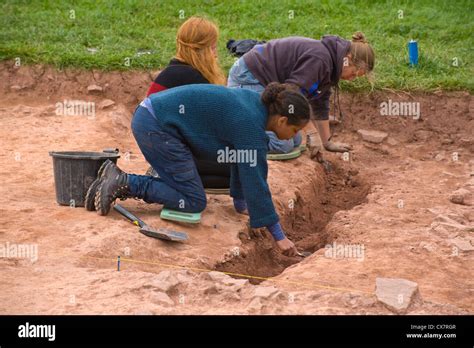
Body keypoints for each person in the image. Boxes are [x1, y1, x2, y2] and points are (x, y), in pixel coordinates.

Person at [93, 83, 310, 256]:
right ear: (282, 120)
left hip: (155, 116)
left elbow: (241, 159)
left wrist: (241, 203)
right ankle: (124, 182)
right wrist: (279, 236)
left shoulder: (256, 106)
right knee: (193, 201)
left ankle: (157, 176)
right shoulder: (251, 126)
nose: (295, 137)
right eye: (295, 129)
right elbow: (256, 182)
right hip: (156, 127)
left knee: (198, 184)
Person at [227, 31, 375, 156]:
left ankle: (247, 131)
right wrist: (311, 132)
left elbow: (320, 105)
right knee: (281, 145)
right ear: (347, 60)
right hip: (249, 77)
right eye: (354, 73)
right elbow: (290, 95)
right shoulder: (320, 60)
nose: (351, 79)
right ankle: (234, 138)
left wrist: (326, 142)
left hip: (269, 85)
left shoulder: (331, 65)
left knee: (294, 140)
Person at [146, 16, 229, 189]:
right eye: (212, 48)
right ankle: (166, 174)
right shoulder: (193, 78)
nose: (215, 54)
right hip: (171, 150)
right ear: (200, 50)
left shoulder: (174, 71)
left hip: (162, 148)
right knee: (238, 170)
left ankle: (166, 171)